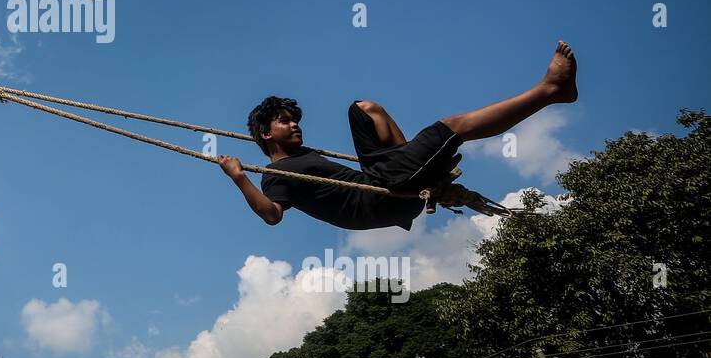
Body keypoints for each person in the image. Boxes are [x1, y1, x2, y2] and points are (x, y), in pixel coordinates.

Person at [217, 41, 578, 231]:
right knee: (454, 126)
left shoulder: (302, 156)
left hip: (382, 178)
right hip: (384, 196)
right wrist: (239, 178)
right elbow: (272, 216)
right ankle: (550, 90)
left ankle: (417, 164)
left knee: (362, 108)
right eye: (283, 121)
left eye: (295, 119)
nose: (295, 124)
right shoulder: (276, 175)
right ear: (266, 134)